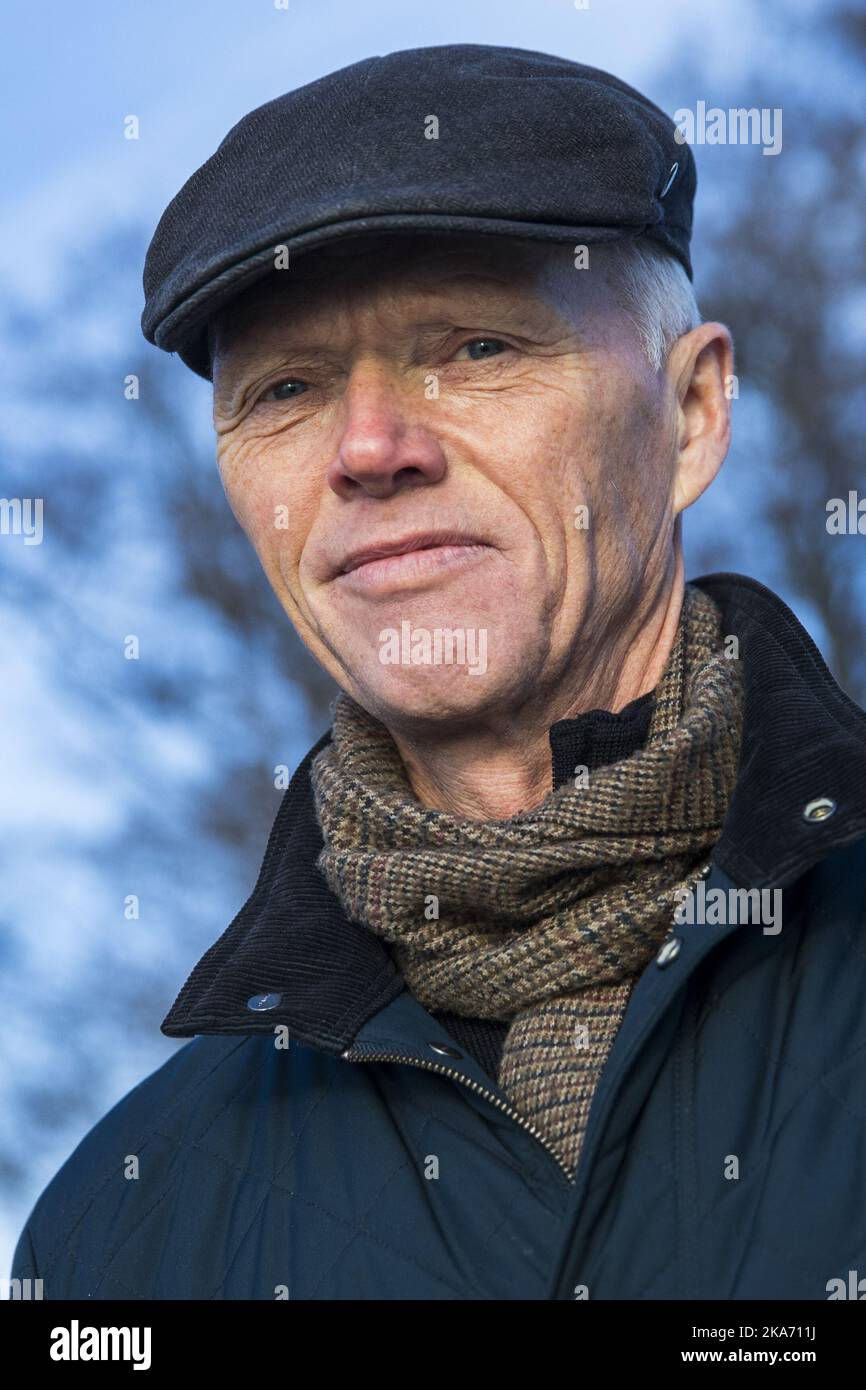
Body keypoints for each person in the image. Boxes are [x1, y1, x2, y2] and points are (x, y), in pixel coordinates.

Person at [12, 43, 866, 1301]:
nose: (368, 447)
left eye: (472, 348)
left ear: (689, 417)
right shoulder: (118, 1236)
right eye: (287, 389)